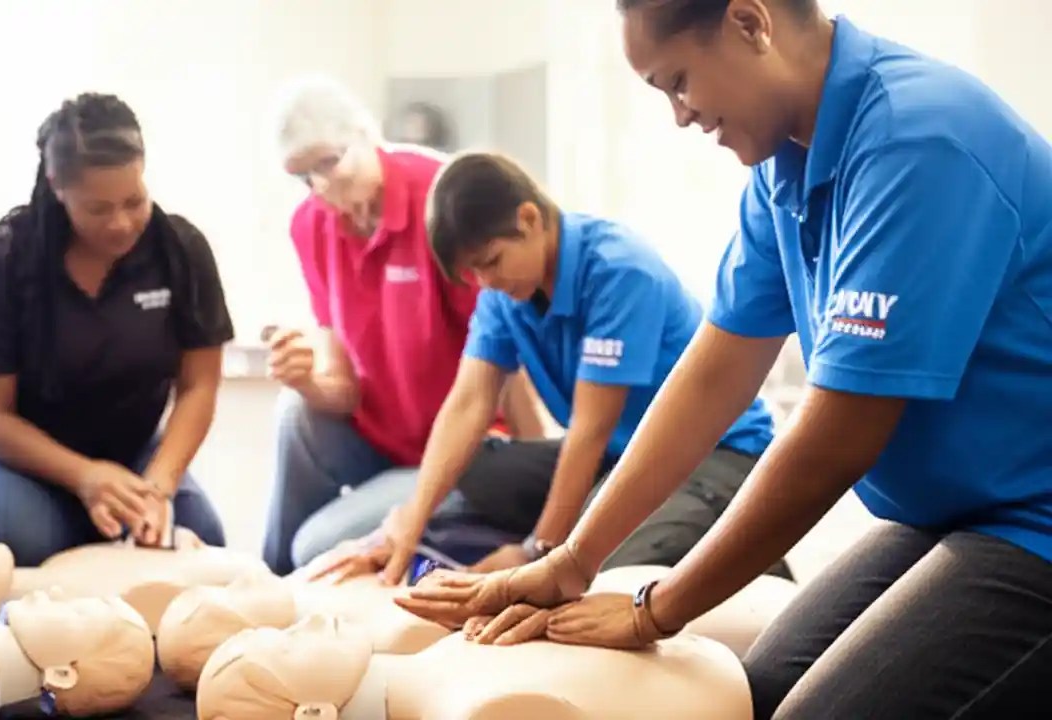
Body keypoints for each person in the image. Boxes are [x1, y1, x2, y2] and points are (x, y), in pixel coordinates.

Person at [397, 1, 1052, 718]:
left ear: (749, 22)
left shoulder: (918, 139)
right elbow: (715, 373)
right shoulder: (784, 170)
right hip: (955, 512)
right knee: (751, 691)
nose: (680, 115)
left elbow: (837, 437)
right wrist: (570, 561)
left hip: (1034, 517)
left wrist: (657, 609)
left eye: (679, 82)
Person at [318, 151, 782, 587]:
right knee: (478, 468)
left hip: (713, 454)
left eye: (491, 263)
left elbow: (590, 429)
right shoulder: (506, 294)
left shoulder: (619, 270)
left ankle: (745, 542)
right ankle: (584, 520)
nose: (487, 284)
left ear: (529, 219)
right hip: (622, 455)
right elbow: (468, 403)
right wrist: (407, 523)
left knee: (598, 575)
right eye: (474, 276)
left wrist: (536, 552)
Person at [261, 74, 547, 575]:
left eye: (330, 162)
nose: (323, 186)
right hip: (379, 442)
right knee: (294, 414)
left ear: (366, 134)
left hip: (459, 456)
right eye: (305, 176)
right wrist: (305, 379)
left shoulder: (439, 198)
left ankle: (299, 569)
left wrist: (534, 493)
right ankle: (269, 583)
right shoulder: (310, 224)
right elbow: (343, 388)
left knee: (316, 547)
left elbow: (507, 357)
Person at [0, 92, 232, 567]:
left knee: (201, 541)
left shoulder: (179, 249)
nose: (121, 224)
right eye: (98, 209)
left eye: (134, 201)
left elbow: (199, 385)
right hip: (14, 459)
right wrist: (85, 478)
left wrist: (157, 487)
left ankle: (87, 519)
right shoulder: (4, 260)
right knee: (20, 543)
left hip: (131, 455)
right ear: (57, 186)